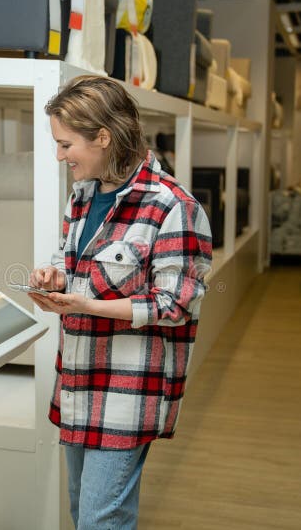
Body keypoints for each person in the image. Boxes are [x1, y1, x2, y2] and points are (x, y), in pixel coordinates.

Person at [27, 75, 213, 529]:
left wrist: (85, 307)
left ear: (104, 137)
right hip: (78, 381)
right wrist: (54, 277)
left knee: (100, 520)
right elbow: (72, 263)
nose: (59, 155)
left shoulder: (173, 207)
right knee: (81, 512)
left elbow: (174, 305)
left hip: (128, 394)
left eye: (66, 144)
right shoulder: (82, 196)